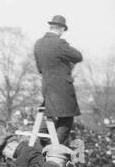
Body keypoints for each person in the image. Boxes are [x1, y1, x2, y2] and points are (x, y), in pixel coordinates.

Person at [32, 14, 82, 143]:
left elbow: (40, 69)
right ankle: (56, 149)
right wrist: (67, 65)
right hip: (61, 89)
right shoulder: (59, 43)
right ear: (60, 28)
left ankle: (43, 143)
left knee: (49, 118)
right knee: (67, 118)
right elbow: (78, 56)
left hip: (47, 88)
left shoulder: (38, 44)